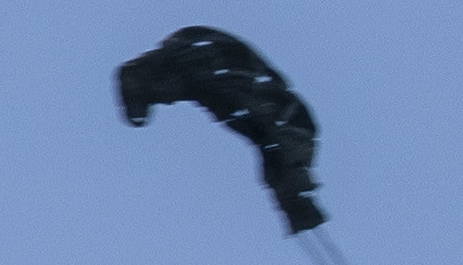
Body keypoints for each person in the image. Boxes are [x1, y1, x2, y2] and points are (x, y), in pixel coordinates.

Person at [117, 25, 327, 234]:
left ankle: (292, 191)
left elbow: (260, 124)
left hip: (276, 121)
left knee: (279, 145)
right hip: (273, 120)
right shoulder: (203, 71)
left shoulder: (205, 73)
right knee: (278, 146)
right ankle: (292, 192)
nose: (167, 102)